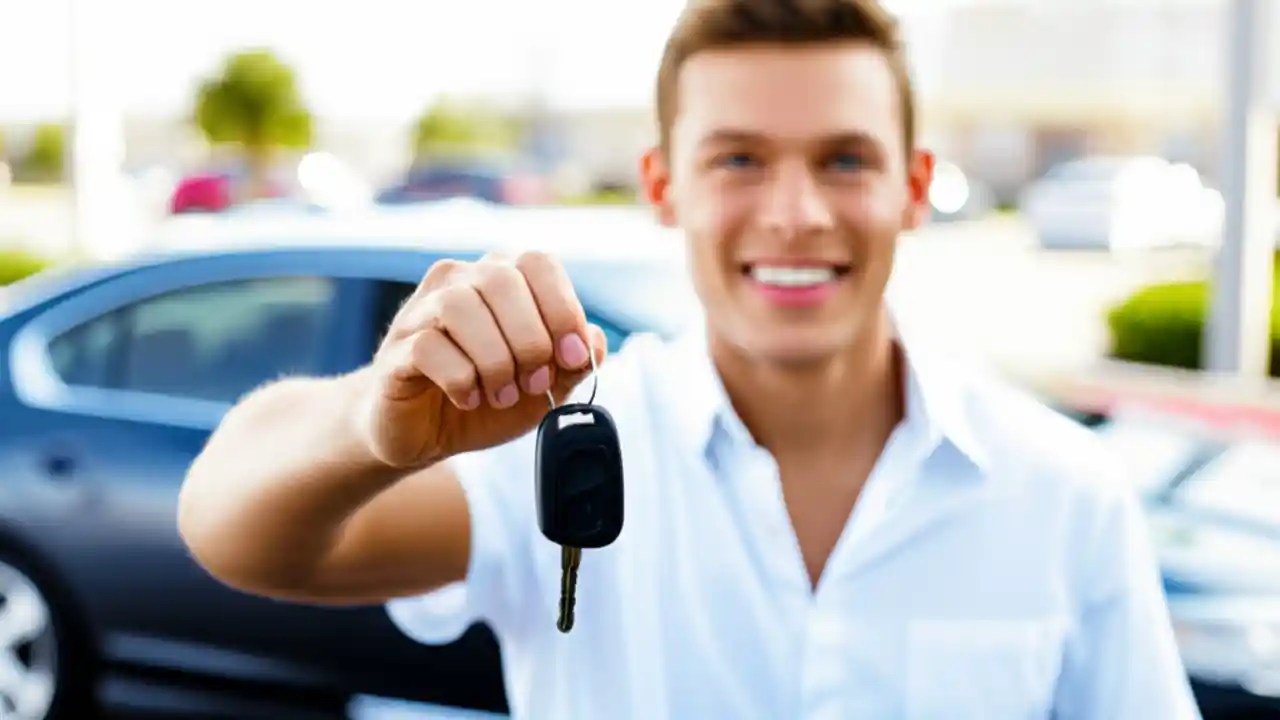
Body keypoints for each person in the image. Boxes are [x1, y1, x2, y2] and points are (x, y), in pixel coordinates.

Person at [177, 1, 1202, 717]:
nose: (794, 214)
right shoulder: (557, 438)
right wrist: (370, 426)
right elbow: (235, 533)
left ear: (911, 185)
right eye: (739, 159)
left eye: (843, 159)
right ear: (664, 186)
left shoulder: (1065, 492)